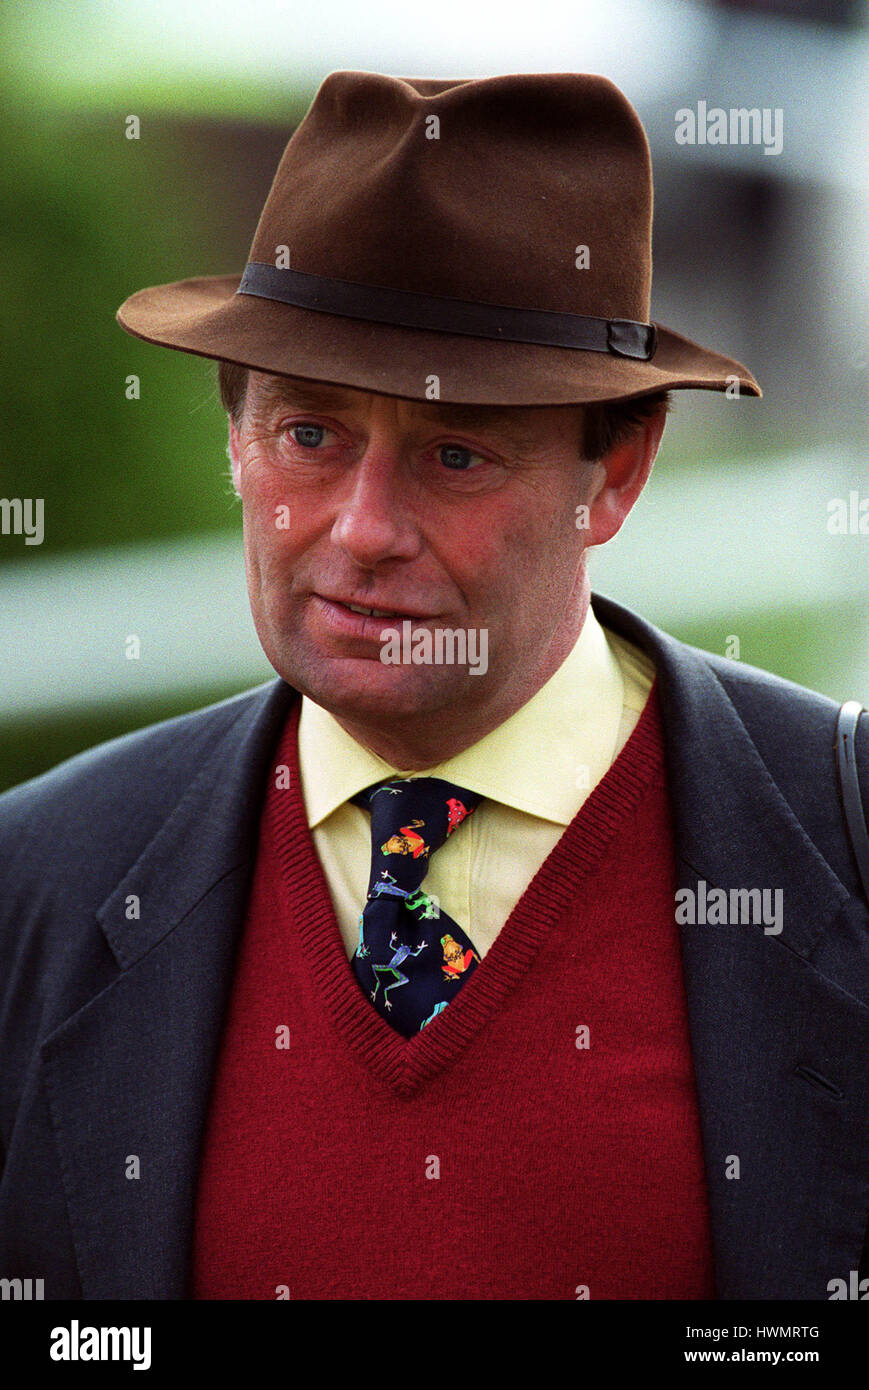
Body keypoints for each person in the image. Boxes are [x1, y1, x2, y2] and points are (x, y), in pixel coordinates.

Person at [1, 70, 867, 1303]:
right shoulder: (42, 884)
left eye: (454, 453)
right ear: (233, 439)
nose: (361, 529)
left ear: (612, 474)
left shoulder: (840, 849)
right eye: (308, 435)